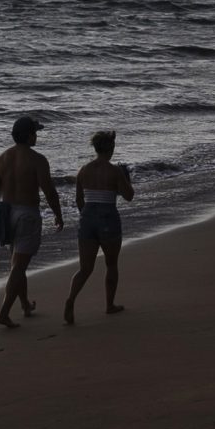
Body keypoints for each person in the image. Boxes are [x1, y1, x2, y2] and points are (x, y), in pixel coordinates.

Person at [0, 116, 63, 328]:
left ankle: (24, 304)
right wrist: (58, 214)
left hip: (6, 214)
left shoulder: (1, 160)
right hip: (27, 215)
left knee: (17, 265)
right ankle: (4, 313)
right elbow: (49, 192)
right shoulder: (38, 160)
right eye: (35, 132)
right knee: (18, 267)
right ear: (29, 135)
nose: (37, 136)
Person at [63, 129, 134, 325]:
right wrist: (127, 179)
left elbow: (79, 200)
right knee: (111, 264)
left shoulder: (84, 170)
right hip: (108, 217)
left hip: (87, 218)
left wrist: (86, 216)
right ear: (110, 148)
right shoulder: (114, 171)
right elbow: (129, 196)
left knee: (85, 268)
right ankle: (109, 305)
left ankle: (71, 300)